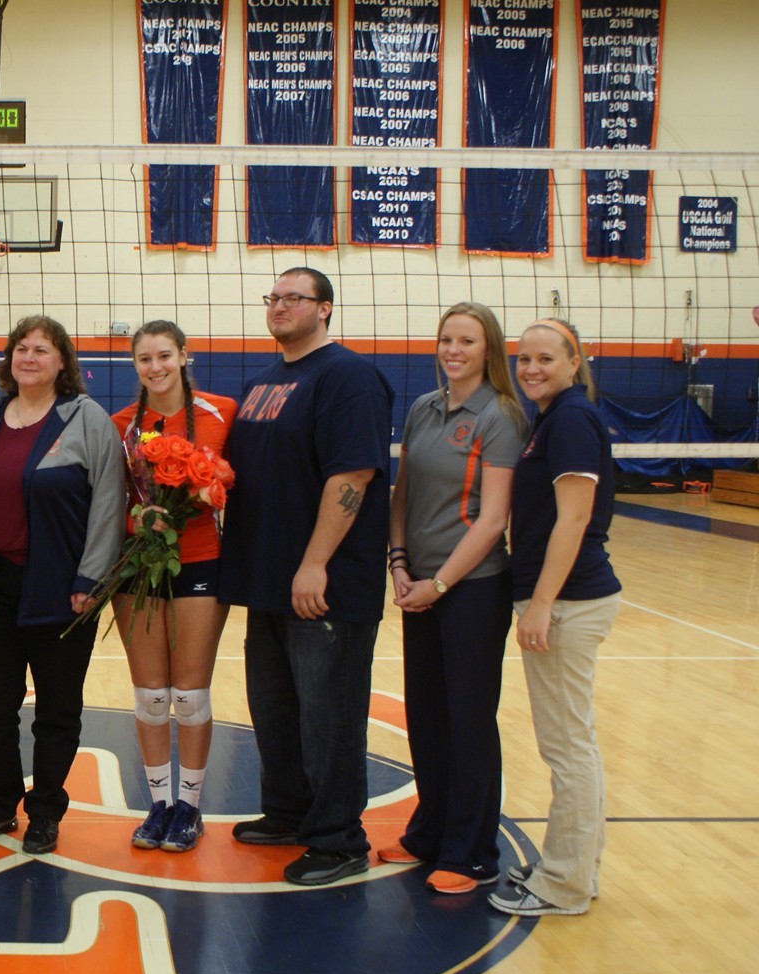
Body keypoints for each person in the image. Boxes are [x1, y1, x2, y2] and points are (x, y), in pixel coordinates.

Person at [218, 267, 394, 886]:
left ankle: (339, 838)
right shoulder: (268, 381)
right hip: (268, 580)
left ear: (324, 309)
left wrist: (315, 562)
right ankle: (289, 812)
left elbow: (353, 477)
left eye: (294, 298)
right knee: (275, 708)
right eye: (273, 297)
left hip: (325, 586)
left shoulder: (347, 378)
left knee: (330, 714)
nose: (280, 306)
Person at [0, 315, 125, 856]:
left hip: (62, 586)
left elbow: (109, 503)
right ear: (9, 360)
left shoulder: (87, 419)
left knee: (57, 709)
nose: (29, 357)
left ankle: (46, 811)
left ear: (62, 363)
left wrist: (91, 577)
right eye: (21, 349)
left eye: (42, 350)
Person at [384, 302, 526, 894]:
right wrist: (397, 562)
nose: (453, 350)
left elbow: (493, 520)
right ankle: (429, 832)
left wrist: (439, 584)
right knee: (427, 715)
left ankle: (471, 852)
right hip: (419, 583)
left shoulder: (501, 416)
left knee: (468, 720)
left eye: (466, 340)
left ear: (488, 348)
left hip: (471, 590)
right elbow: (404, 494)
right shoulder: (423, 408)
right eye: (446, 339)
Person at [488, 318, 622, 918]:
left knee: (567, 747)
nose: (531, 369)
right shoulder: (553, 417)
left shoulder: (570, 418)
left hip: (568, 601)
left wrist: (541, 603)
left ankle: (564, 884)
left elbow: (573, 519)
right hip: (567, 597)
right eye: (523, 359)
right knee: (575, 744)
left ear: (575, 361)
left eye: (546, 358)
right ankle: (575, 871)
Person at [110, 321, 237, 853]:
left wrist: (212, 488)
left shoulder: (221, 411)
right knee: (151, 696)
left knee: (189, 694)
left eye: (164, 355)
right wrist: (143, 520)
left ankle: (191, 805)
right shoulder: (121, 424)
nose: (155, 367)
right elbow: (111, 500)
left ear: (184, 356)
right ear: (134, 365)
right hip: (139, 566)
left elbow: (234, 478)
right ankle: (159, 804)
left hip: (201, 561)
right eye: (144, 359)